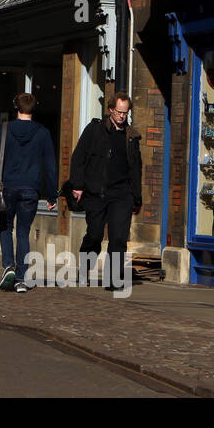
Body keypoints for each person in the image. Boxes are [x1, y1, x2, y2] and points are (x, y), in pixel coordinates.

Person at [69, 91, 143, 292]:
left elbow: (136, 167)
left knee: (118, 237)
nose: (122, 116)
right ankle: (85, 267)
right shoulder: (95, 130)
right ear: (111, 109)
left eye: (125, 113)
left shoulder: (131, 136)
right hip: (97, 192)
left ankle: (113, 279)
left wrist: (137, 196)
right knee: (94, 235)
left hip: (122, 194)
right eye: (119, 112)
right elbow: (78, 157)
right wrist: (77, 185)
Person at [0, 93, 57, 293]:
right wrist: (52, 195)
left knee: (5, 228)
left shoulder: (3, 130)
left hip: (7, 188)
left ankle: (8, 266)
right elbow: (51, 167)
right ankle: (21, 278)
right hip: (31, 189)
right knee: (23, 233)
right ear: (33, 109)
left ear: (16, 107)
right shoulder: (43, 133)